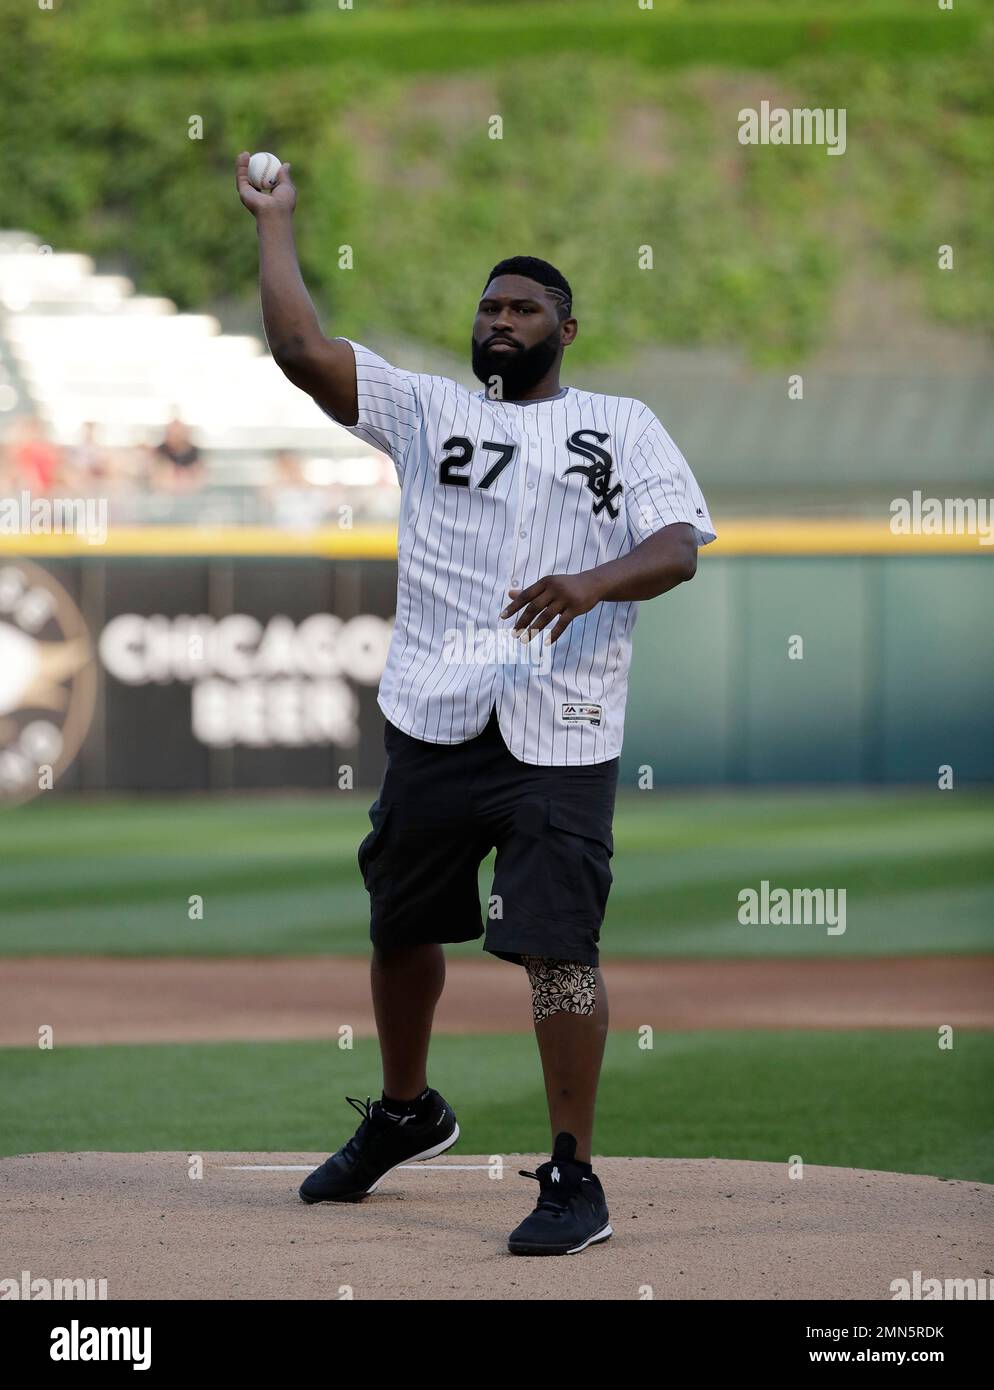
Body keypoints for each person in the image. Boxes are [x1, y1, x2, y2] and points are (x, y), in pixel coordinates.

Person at [237, 153, 716, 1257]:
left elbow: (679, 545)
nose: (501, 320)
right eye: (489, 305)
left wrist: (590, 581)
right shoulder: (427, 410)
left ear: (565, 328)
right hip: (433, 715)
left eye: (525, 307)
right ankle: (407, 1110)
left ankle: (571, 1174)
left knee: (558, 950)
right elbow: (301, 350)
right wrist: (277, 221)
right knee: (401, 923)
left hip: (563, 729)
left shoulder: (622, 423)